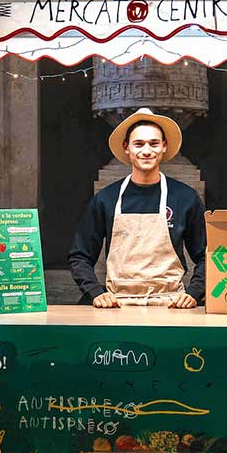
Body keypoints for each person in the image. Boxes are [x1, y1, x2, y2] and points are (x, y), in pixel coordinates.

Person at [68, 108, 206, 308]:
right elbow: (80, 255)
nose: (147, 151)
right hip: (116, 306)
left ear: (164, 146)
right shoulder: (106, 199)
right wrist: (95, 292)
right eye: (139, 144)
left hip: (171, 305)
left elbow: (207, 255)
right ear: (127, 148)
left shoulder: (185, 197)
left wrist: (194, 292)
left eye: (154, 143)